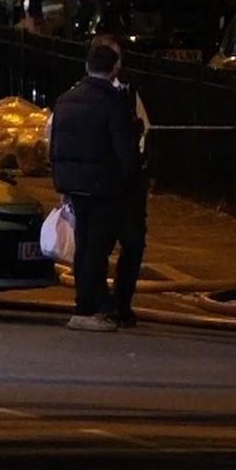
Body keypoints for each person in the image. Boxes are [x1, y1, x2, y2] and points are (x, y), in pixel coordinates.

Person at [49, 36, 141, 332]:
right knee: (96, 248)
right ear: (114, 69)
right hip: (103, 184)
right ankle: (89, 306)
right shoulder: (112, 103)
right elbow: (124, 151)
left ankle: (84, 302)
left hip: (74, 185)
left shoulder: (65, 100)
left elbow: (54, 144)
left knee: (84, 244)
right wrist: (131, 174)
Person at [110, 68, 151, 327]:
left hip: (127, 185)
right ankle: (96, 304)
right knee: (96, 246)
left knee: (132, 244)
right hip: (103, 184)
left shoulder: (129, 95)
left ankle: (120, 304)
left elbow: (145, 132)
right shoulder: (88, 95)